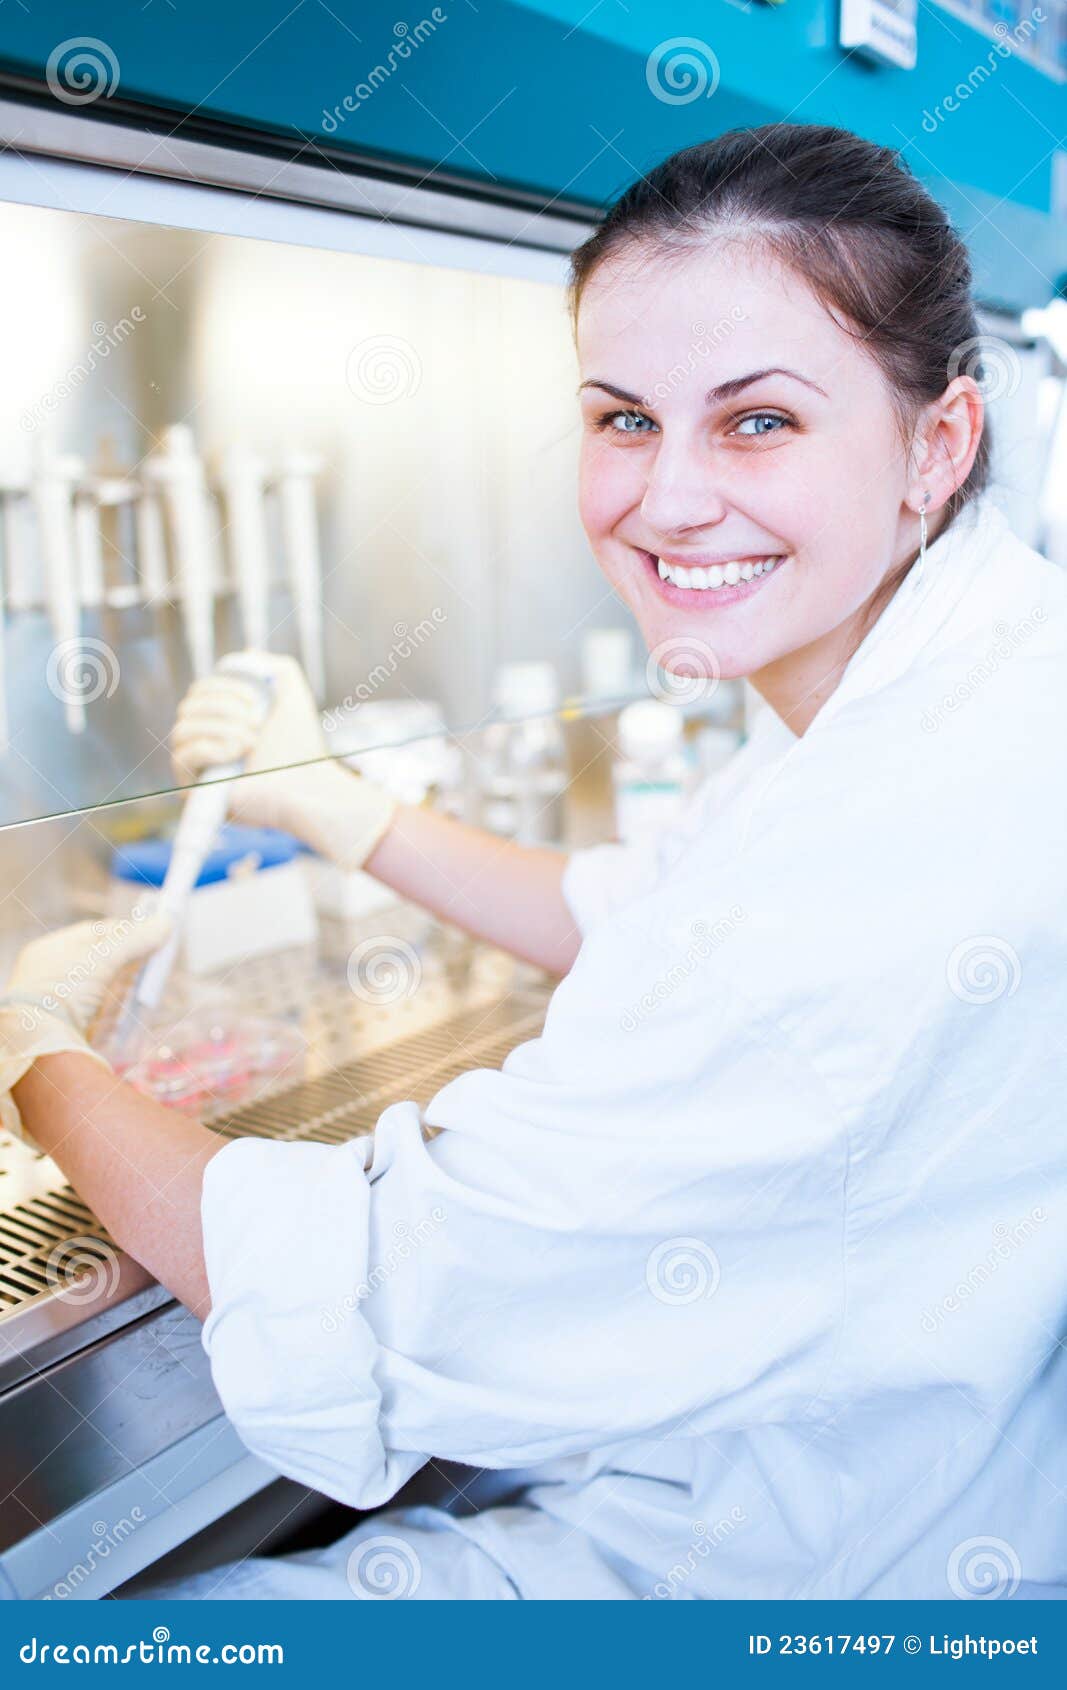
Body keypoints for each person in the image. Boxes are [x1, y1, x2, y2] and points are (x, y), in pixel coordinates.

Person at [2, 121, 1066, 1602]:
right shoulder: (948, 675)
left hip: (822, 1578)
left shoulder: (912, 822)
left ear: (935, 445)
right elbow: (636, 912)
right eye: (625, 417)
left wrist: (34, 1058)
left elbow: (372, 1278)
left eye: (759, 421)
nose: (670, 498)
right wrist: (340, 806)